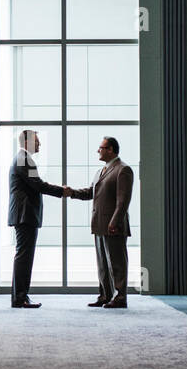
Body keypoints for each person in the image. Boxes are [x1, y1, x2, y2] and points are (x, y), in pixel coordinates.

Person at [64, 136, 134, 308]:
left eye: (101, 147)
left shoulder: (123, 170)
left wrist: (115, 221)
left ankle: (120, 297)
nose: (98, 150)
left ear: (111, 150)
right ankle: (105, 295)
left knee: (117, 262)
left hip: (113, 226)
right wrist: (71, 192)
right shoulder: (100, 171)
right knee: (102, 263)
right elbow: (90, 192)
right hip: (99, 224)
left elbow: (123, 200)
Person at [7, 129, 64, 309]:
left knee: (23, 256)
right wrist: (62, 191)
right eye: (37, 141)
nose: (40, 145)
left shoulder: (22, 159)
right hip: (25, 215)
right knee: (24, 257)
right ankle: (20, 297)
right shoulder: (24, 160)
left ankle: (20, 296)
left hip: (24, 215)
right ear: (27, 142)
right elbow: (38, 185)